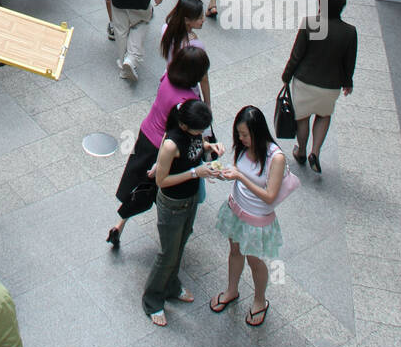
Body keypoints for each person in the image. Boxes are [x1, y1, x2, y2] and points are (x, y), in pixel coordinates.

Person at [107, 46, 211, 248]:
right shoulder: (187, 101)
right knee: (153, 189)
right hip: (163, 148)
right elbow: (176, 132)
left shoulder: (167, 77)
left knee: (138, 186)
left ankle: (119, 224)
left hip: (146, 133)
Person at [142, 99, 222, 325]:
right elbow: (162, 180)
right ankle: (152, 299)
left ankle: (171, 284)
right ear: (185, 126)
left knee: (182, 242)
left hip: (190, 198)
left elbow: (195, 148)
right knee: (168, 252)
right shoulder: (171, 144)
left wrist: (210, 147)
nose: (202, 133)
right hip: (173, 204)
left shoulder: (194, 133)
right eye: (199, 130)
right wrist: (195, 173)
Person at [212, 106, 286, 327]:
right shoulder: (244, 148)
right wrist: (226, 174)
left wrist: (240, 177)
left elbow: (270, 196)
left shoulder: (276, 157)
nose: (241, 139)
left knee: (254, 260)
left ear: (258, 132)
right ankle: (232, 290)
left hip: (256, 220)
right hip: (236, 210)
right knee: (234, 251)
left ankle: (259, 300)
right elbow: (239, 170)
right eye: (239, 134)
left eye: (245, 135)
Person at [281, 0, 356, 173]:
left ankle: (302, 150)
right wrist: (348, 82)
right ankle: (315, 151)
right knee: (324, 115)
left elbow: (296, 55)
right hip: (331, 85)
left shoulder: (310, 24)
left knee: (303, 117)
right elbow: (349, 62)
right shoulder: (350, 32)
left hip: (305, 81)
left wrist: (286, 76)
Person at [160, 0, 210, 105]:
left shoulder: (165, 29)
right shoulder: (195, 45)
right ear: (187, 20)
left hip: (168, 82)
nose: (203, 19)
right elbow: (203, 78)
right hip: (188, 91)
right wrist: (207, 104)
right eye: (199, 17)